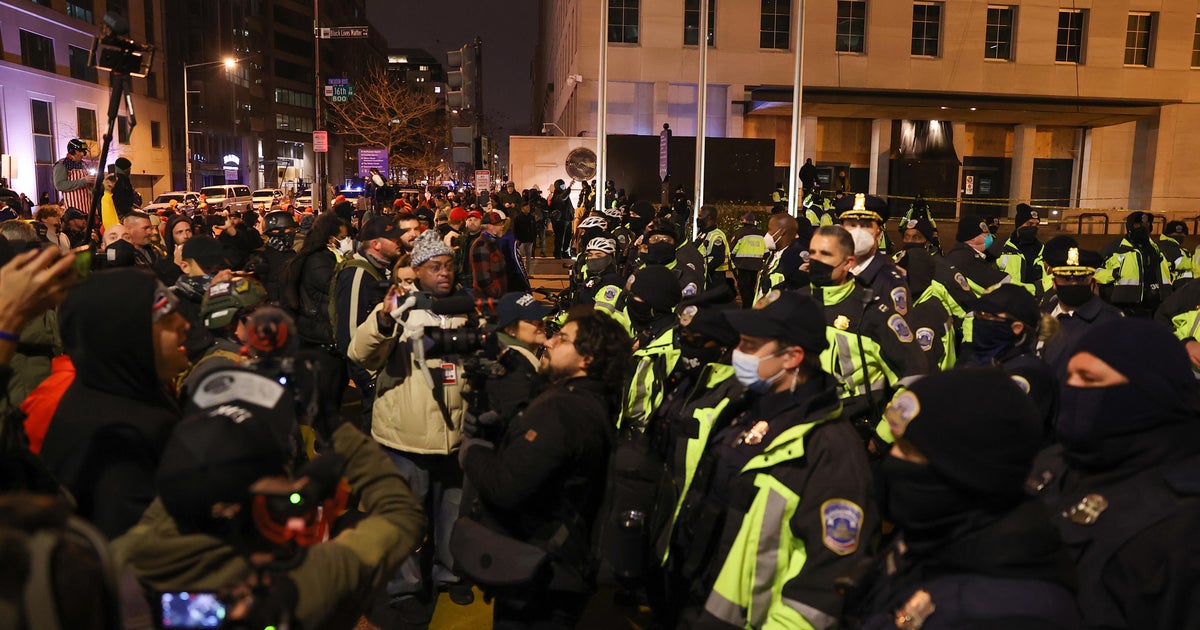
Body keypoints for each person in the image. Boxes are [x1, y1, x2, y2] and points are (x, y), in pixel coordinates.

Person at [112, 372, 426, 630]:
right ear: (263, 501)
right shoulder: (300, 583)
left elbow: (177, 499)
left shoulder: (114, 565)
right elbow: (401, 517)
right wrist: (333, 425)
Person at [670, 290, 878, 628]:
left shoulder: (831, 450)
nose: (737, 354)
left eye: (749, 346)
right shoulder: (739, 404)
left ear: (792, 357)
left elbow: (823, 584)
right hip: (694, 601)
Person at [844, 370, 1079, 628]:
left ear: (966, 470)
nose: (892, 461)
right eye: (897, 444)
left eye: (909, 450)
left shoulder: (1012, 613)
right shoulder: (936, 533)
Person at [457, 308, 628, 628]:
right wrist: (501, 429)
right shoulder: (588, 398)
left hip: (541, 577)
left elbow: (506, 487)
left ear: (587, 359)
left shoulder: (564, 409)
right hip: (555, 564)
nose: (549, 342)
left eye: (562, 338)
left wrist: (473, 451)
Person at [1030, 318, 1200, 628]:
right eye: (1070, 377)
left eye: (1090, 379)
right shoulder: (1052, 463)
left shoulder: (1184, 513)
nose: (1073, 389)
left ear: (1148, 391)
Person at [347, 229, 474, 622]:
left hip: (453, 433)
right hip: (404, 436)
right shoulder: (399, 308)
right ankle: (403, 585)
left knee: (451, 511)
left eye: (449, 266)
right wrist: (385, 318)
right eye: (435, 267)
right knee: (406, 515)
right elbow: (359, 351)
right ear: (417, 271)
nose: (444, 273)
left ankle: (448, 574)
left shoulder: (462, 308)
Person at [39, 269, 190, 538]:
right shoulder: (115, 442)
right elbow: (141, 557)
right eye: (166, 317)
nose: (184, 324)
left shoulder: (129, 393)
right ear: (127, 335)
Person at [806, 225, 927, 445]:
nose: (816, 260)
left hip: (852, 437)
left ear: (848, 263)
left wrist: (881, 439)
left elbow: (915, 380)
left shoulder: (875, 316)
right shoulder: (796, 302)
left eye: (825, 254)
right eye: (812, 252)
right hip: (799, 435)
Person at [961, 284, 1058, 436]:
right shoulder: (982, 359)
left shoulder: (1028, 372)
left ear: (1017, 327)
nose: (980, 320)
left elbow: (1006, 431)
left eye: (988, 316)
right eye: (979, 315)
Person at [1039, 246, 1122, 381]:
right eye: (1066, 279)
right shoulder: (1041, 315)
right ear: (1054, 283)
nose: (1073, 283)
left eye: (1081, 279)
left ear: (1093, 283)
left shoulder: (1110, 320)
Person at [836, 193, 908, 305]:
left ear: (878, 233)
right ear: (842, 230)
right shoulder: (832, 271)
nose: (858, 232)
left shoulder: (891, 281)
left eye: (866, 226)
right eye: (852, 225)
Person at [1098, 211, 1172, 316]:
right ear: (1129, 228)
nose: (1143, 227)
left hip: (1154, 308)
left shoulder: (1156, 249)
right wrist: (1112, 274)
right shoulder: (1114, 248)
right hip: (1124, 307)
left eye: (1147, 224)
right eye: (1138, 225)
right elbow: (1095, 271)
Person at [946, 218, 1009, 297]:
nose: (989, 236)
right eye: (986, 233)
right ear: (972, 238)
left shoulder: (963, 253)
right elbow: (993, 280)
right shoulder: (966, 259)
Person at [996, 203, 1045, 295]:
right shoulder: (1001, 247)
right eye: (1030, 224)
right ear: (1019, 224)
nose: (1033, 227)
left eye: (1036, 224)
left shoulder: (1042, 250)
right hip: (1007, 300)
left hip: (1034, 301)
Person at [470, 210, 509, 300]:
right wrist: (496, 293)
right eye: (499, 224)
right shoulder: (482, 245)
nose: (502, 227)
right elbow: (482, 278)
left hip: (496, 299)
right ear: (490, 226)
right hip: (488, 301)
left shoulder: (492, 242)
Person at [729, 211, 766, 306]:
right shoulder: (761, 234)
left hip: (743, 265)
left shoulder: (740, 233)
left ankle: (747, 307)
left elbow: (732, 250)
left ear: (744, 221)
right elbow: (766, 251)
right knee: (751, 287)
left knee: (744, 288)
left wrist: (733, 263)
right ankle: (751, 305)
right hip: (756, 265)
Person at [694, 205, 731, 291]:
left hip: (715, 277)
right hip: (706, 275)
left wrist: (704, 271)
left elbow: (719, 259)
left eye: (700, 216)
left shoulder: (717, 235)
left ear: (709, 218)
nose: (698, 218)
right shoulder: (703, 233)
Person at [53, 139, 94, 214]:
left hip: (89, 209)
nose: (82, 154)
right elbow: (59, 185)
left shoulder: (84, 165)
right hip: (74, 212)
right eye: (79, 151)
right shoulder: (62, 164)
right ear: (71, 151)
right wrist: (83, 181)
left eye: (83, 152)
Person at [1159, 220, 1193, 286]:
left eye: (1181, 234)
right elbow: (1179, 262)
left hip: (1178, 286)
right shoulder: (1167, 245)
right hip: (1173, 287)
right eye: (1175, 233)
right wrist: (1196, 263)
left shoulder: (1178, 249)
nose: (1179, 235)